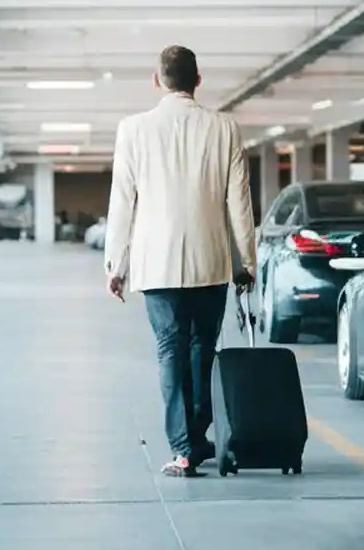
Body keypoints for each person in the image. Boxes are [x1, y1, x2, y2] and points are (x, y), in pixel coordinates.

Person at [104, 45, 256, 478]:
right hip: (211, 261)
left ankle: (184, 448)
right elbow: (239, 204)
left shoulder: (133, 129)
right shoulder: (224, 128)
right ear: (198, 80)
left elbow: (122, 202)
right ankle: (197, 436)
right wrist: (246, 262)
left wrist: (117, 264)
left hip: (157, 263)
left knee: (170, 351)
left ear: (157, 81)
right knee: (202, 350)